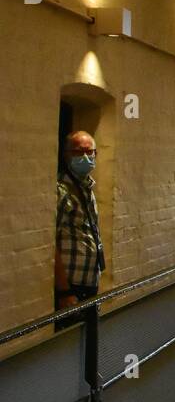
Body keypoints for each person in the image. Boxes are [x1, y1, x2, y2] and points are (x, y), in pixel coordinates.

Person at [55, 130, 104, 324]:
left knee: (86, 344)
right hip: (71, 287)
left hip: (89, 284)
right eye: (78, 152)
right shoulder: (61, 191)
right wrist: (64, 290)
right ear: (66, 154)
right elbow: (50, 244)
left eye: (89, 152)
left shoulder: (86, 189)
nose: (85, 157)